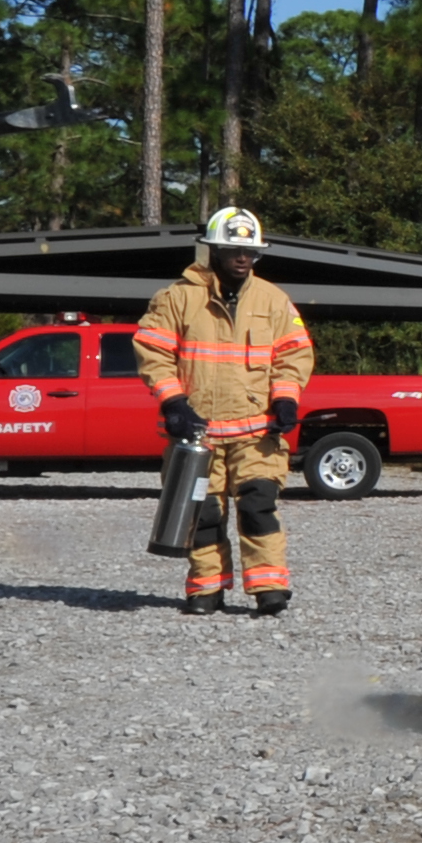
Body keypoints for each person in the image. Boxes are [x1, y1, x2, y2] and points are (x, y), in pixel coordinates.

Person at [133, 205, 316, 616]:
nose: (242, 258)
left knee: (258, 505)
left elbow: (294, 355)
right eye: (233, 249)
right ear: (213, 249)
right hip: (198, 435)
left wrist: (286, 398)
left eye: (250, 252)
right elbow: (153, 353)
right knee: (204, 514)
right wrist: (173, 402)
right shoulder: (178, 299)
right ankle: (206, 589)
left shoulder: (273, 300)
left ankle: (269, 587)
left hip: (257, 433)